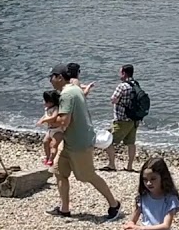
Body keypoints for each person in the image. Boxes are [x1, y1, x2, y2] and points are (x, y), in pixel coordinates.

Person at [46, 64, 122, 220]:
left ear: (59, 77)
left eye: (51, 76)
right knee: (59, 173)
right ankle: (64, 209)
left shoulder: (67, 94)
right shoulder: (74, 89)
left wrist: (48, 120)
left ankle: (114, 205)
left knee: (88, 176)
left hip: (79, 143)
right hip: (69, 141)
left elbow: (64, 122)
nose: (50, 80)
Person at [104, 65, 139, 172]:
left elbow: (113, 99)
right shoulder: (136, 85)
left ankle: (112, 165)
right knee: (131, 143)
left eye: (120, 72)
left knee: (108, 142)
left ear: (124, 73)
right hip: (134, 120)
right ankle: (129, 166)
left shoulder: (122, 86)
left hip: (122, 120)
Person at [37, 90, 64, 166]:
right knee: (45, 142)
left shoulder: (55, 108)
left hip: (57, 130)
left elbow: (53, 117)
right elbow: (44, 116)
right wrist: (41, 120)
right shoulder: (47, 109)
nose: (44, 102)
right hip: (50, 130)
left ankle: (51, 159)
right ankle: (48, 156)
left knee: (54, 145)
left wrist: (43, 120)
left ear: (51, 102)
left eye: (46, 101)